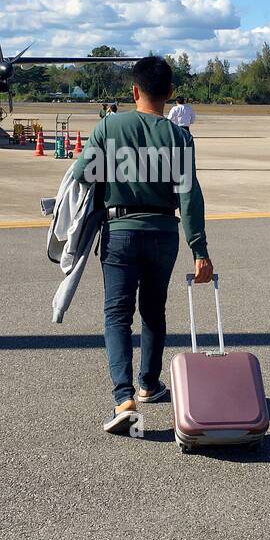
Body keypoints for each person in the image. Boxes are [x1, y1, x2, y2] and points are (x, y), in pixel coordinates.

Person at [70, 56, 213, 435]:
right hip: (164, 233)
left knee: (117, 314)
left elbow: (84, 173)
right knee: (153, 310)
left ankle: (124, 397)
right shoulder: (180, 136)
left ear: (134, 91)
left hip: (119, 231)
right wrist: (199, 250)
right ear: (169, 93)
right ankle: (150, 384)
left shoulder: (108, 126)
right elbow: (190, 196)